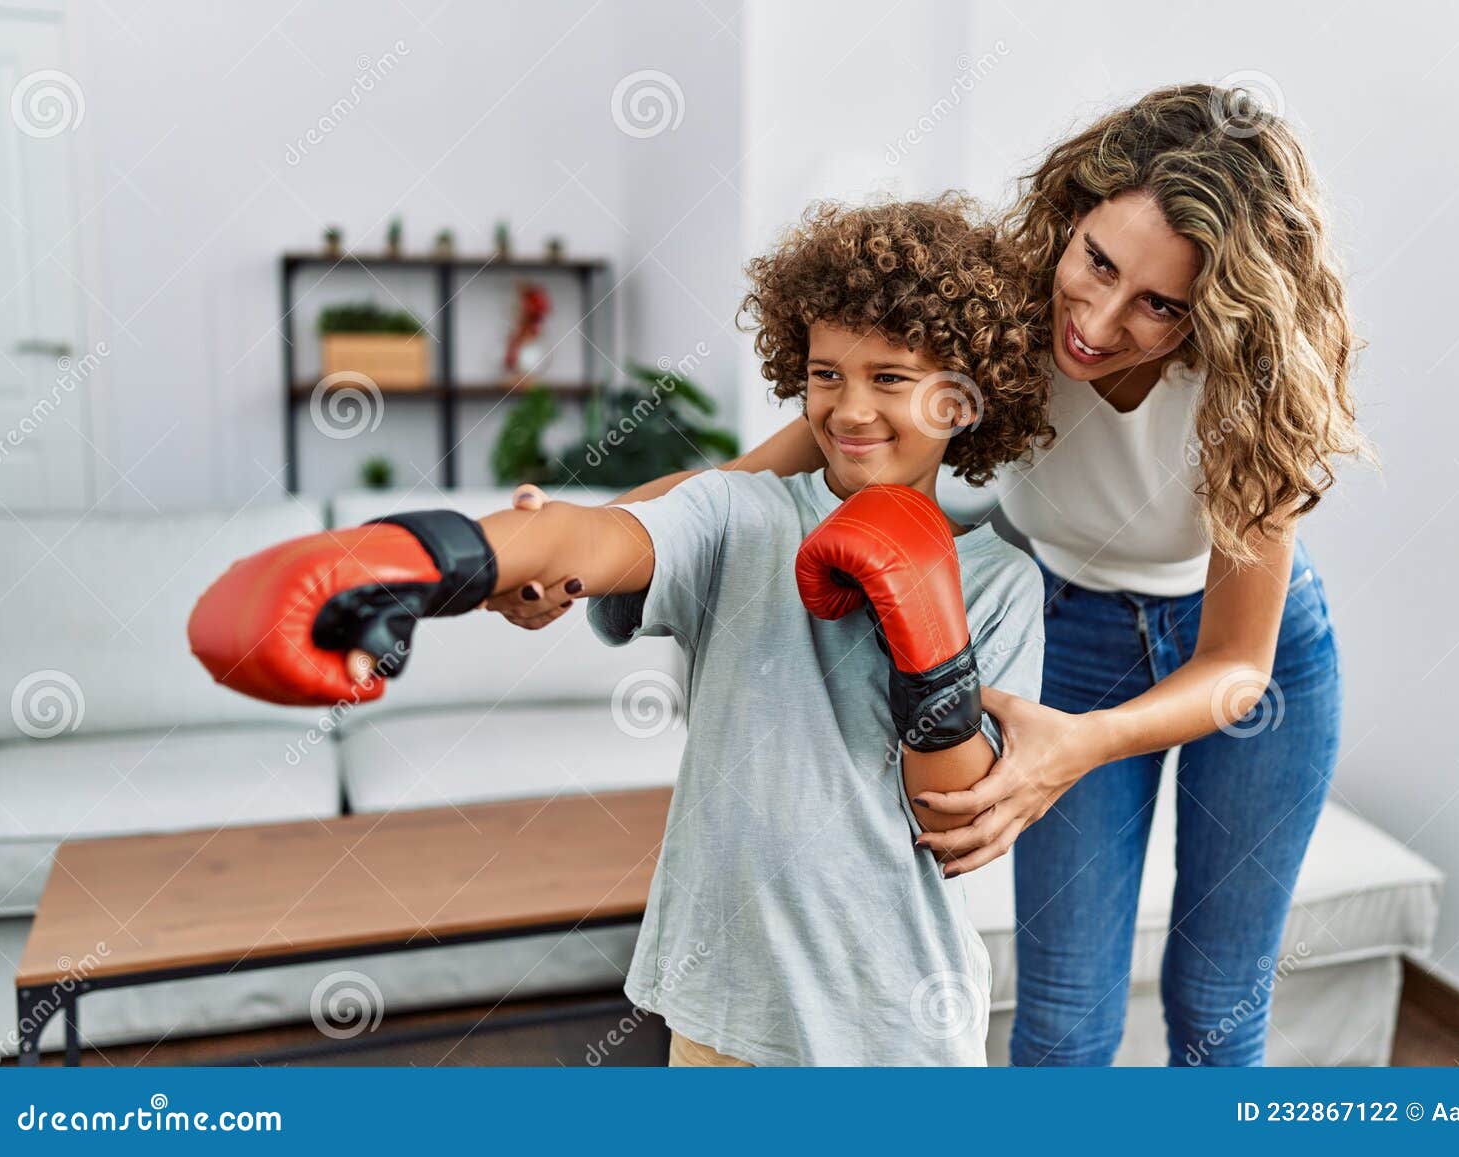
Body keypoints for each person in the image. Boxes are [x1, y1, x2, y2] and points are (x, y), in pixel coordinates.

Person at [495, 85, 1368, 1067]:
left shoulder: (1254, 384)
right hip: (1069, 623)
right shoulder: (1001, 306)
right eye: (1097, 263)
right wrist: (574, 543)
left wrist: (1081, 746)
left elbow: (1238, 664)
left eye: (1159, 304)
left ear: (1220, 304)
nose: (1097, 318)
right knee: (1066, 1012)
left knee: (1218, 1003)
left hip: (1249, 659)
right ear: (1073, 211)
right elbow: (764, 466)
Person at [188, 198, 1055, 1065]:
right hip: (721, 1008)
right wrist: (424, 558)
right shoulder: (741, 514)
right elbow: (594, 538)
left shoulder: (1001, 584)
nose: (849, 407)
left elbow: (955, 815)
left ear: (963, 399)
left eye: (890, 378)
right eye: (825, 374)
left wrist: (933, 640)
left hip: (900, 1019)